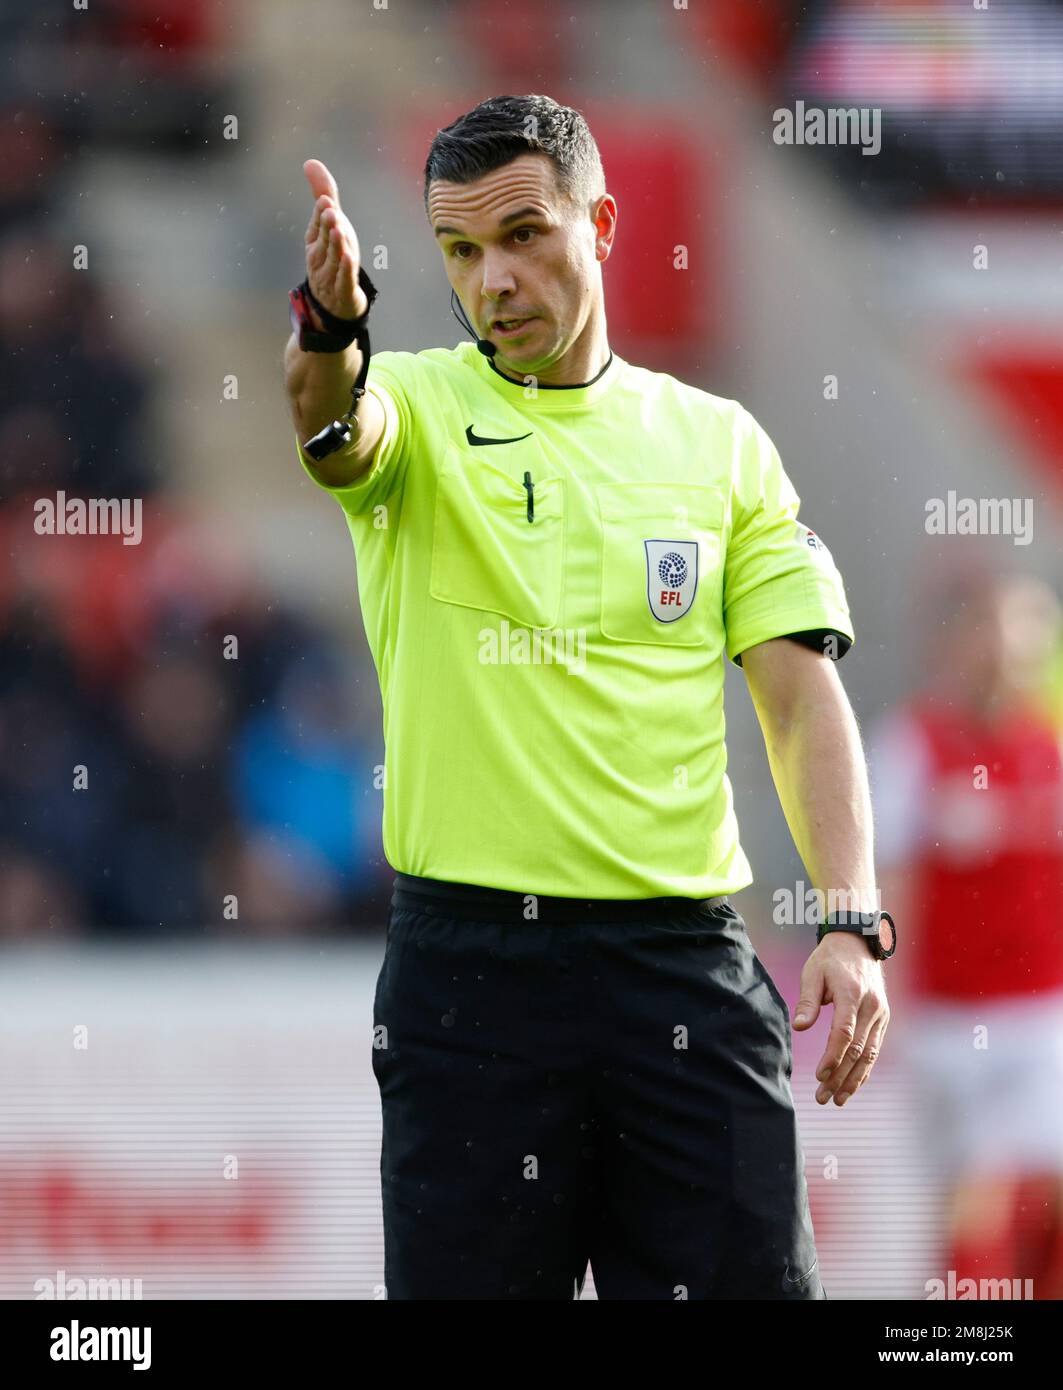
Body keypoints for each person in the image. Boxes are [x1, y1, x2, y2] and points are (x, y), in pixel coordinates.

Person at [282, 93, 891, 1300]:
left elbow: (796, 697)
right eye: (459, 253)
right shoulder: (420, 407)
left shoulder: (716, 444)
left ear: (600, 224)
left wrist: (847, 915)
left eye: (522, 236)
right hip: (471, 980)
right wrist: (331, 319)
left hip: (681, 964)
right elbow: (334, 422)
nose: (491, 280)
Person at [871, 568, 1063, 1298]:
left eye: (1024, 637)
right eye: (992, 634)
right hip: (949, 1019)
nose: (1007, 654)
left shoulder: (1049, 748)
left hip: (1038, 1014)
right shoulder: (909, 745)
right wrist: (887, 995)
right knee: (971, 1199)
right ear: (957, 644)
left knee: (1031, 1192)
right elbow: (891, 885)